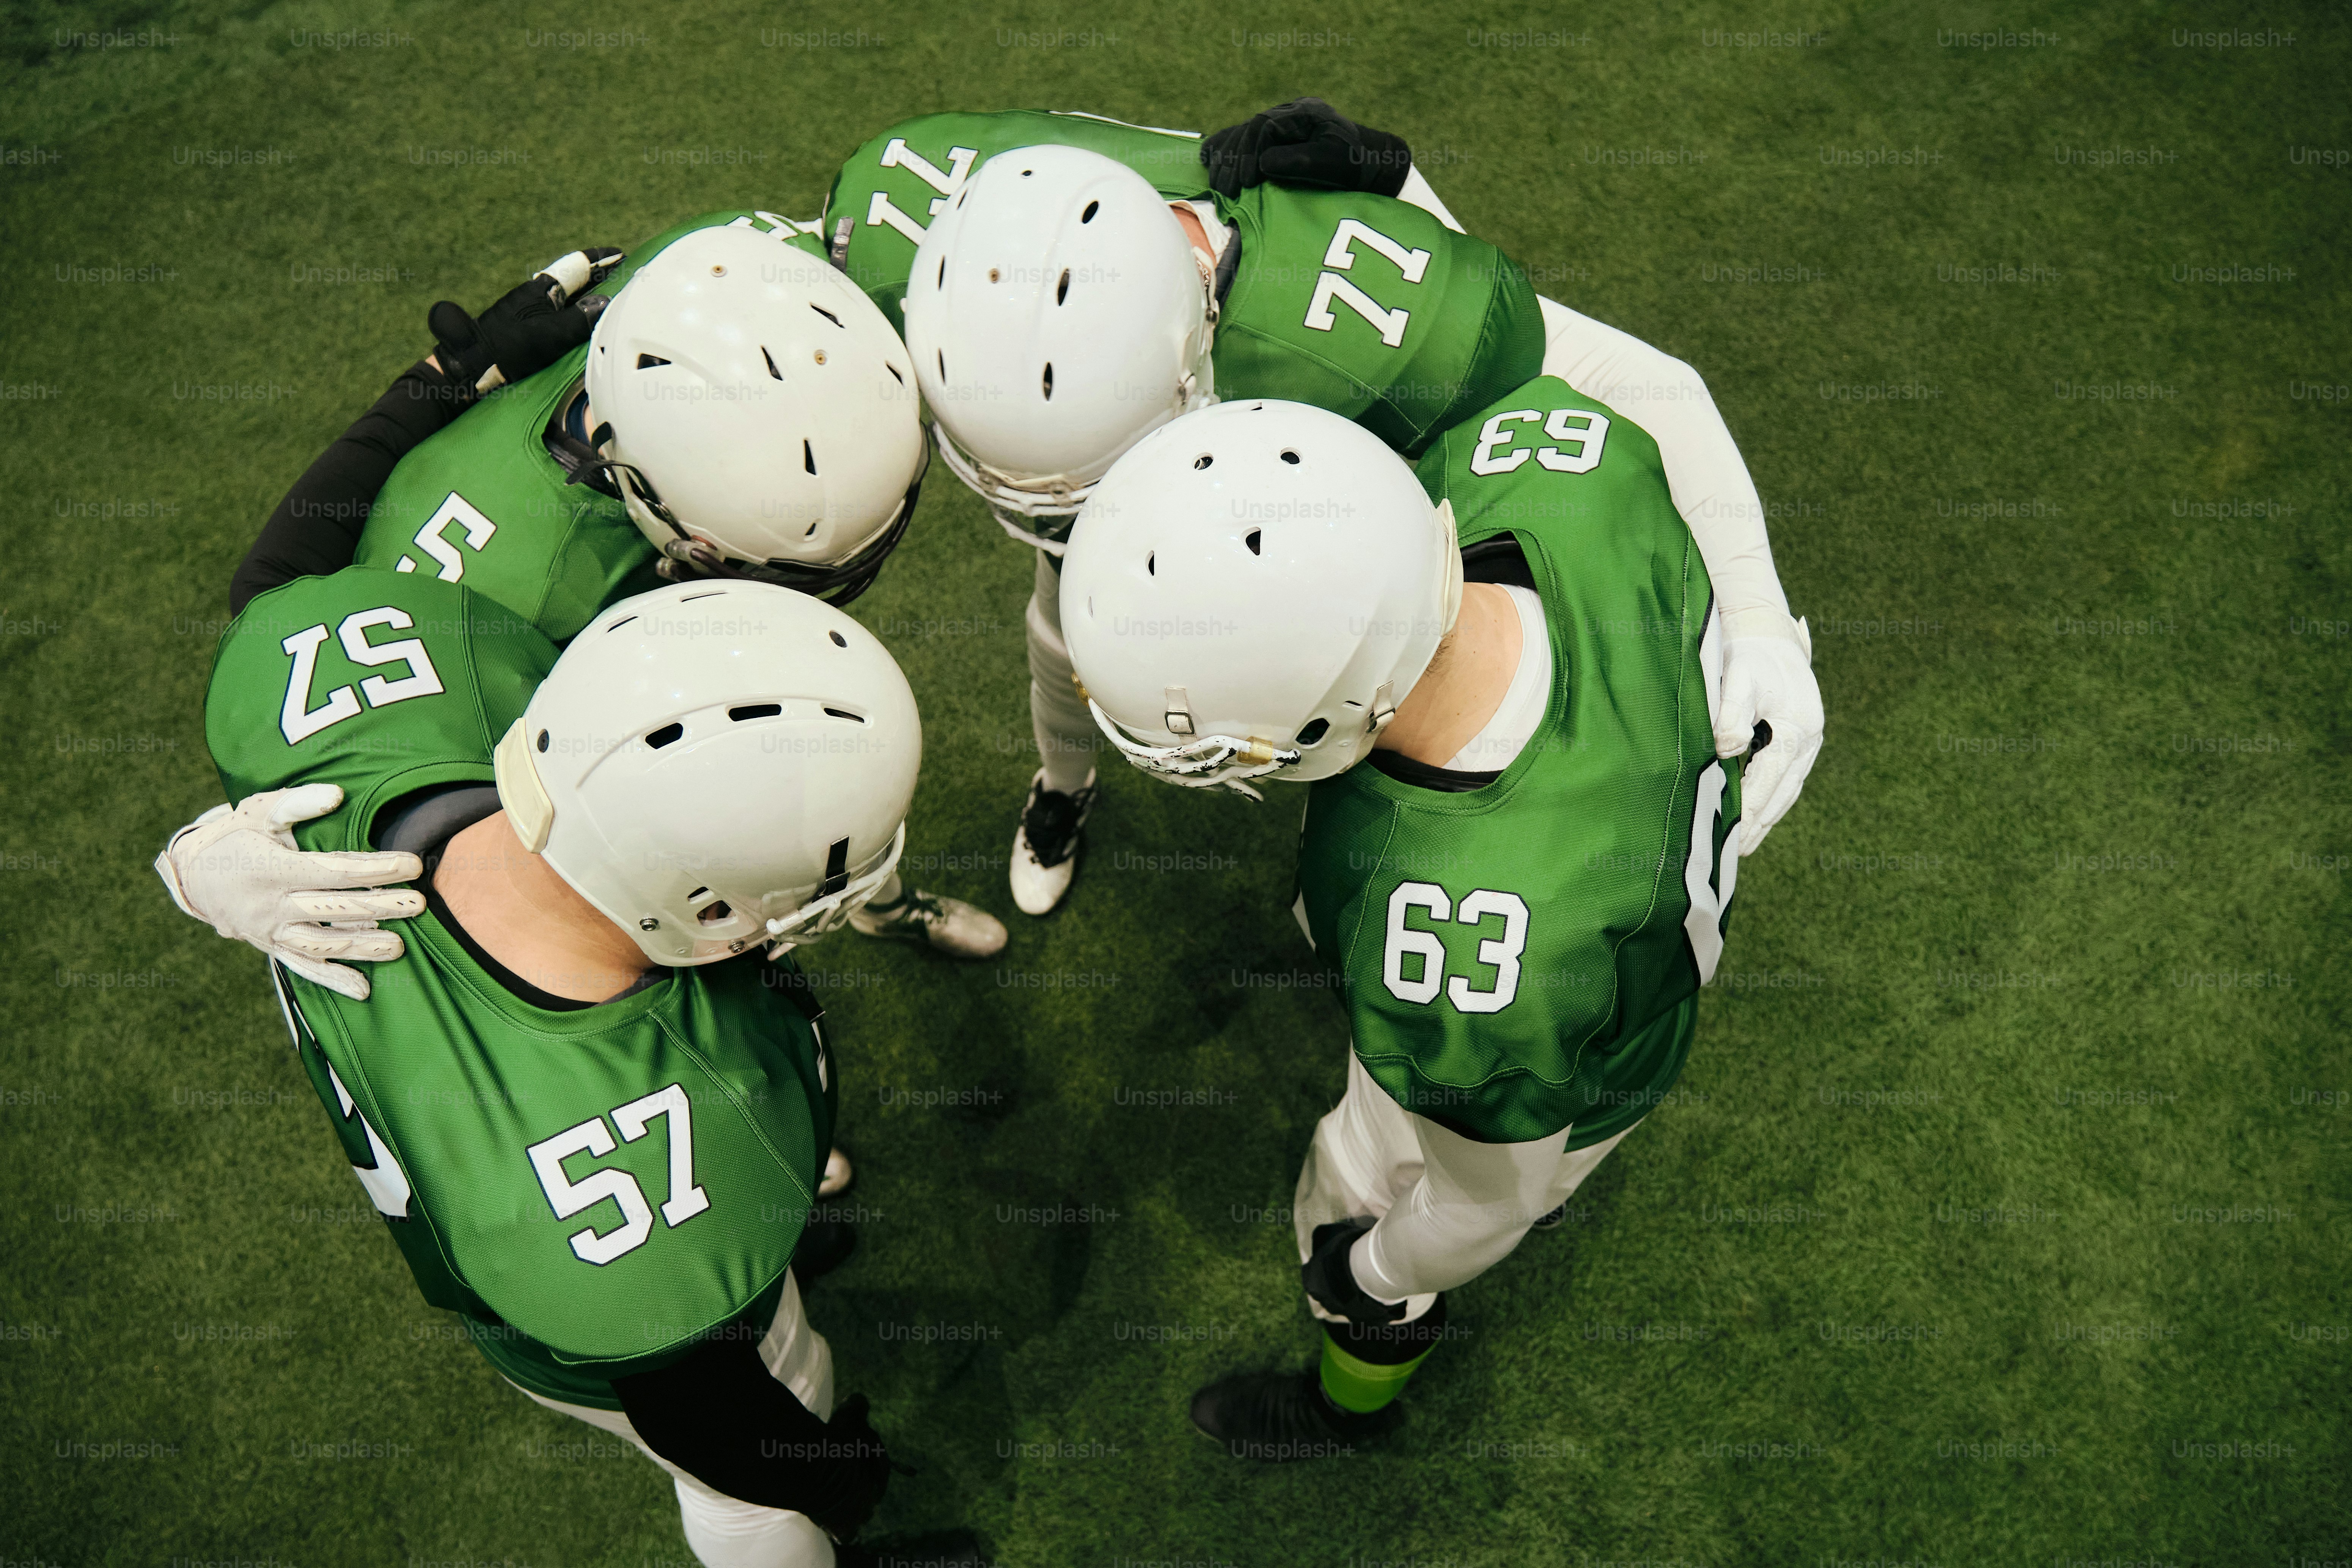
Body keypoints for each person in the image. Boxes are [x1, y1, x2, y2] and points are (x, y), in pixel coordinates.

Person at [198, 559, 975, 1564]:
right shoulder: (643, 1203)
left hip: (598, 1229)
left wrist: (194, 864)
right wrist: (826, 1473)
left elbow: (273, 582)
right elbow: (715, 1428)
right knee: (756, 1486)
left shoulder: (302, 825)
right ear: (697, 905)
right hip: (635, 1319)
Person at [1058, 385, 1751, 1457]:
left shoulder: (1446, 937)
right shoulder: (1566, 458)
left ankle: (1348, 1403)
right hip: (1627, 931)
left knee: (1365, 1218)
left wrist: (1378, 1266)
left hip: (1572, 1037)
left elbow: (1487, 1202)